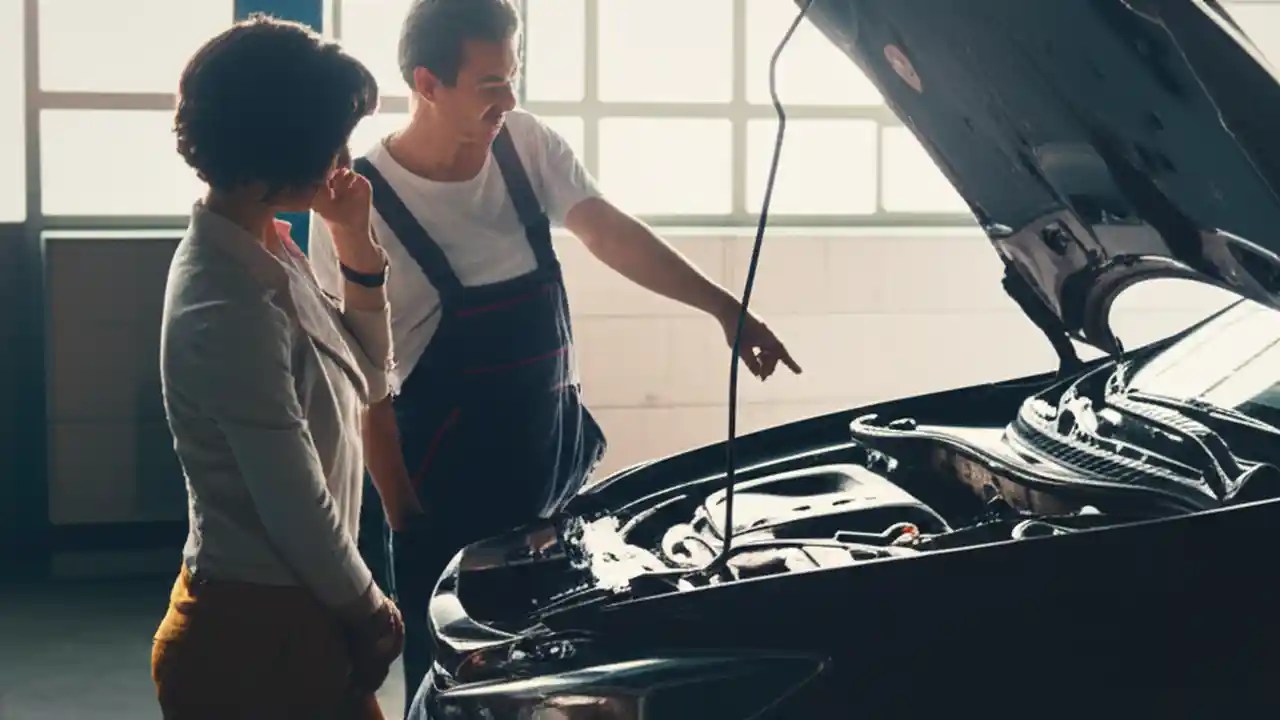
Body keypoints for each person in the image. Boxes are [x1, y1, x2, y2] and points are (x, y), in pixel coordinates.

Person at [307, 0, 802, 710]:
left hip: (550, 465)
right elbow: (357, 378)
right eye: (489, 85)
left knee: (558, 675)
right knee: (453, 683)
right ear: (427, 84)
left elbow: (607, 231)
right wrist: (403, 520)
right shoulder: (361, 202)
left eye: (513, 78)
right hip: (439, 488)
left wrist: (724, 308)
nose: (508, 99)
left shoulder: (525, 145)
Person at [152, 15, 405, 719]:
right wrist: (372, 609)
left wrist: (353, 238)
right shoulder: (223, 300)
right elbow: (292, 500)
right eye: (334, 141)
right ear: (283, 146)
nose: (343, 159)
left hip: (302, 606)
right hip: (252, 632)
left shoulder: (266, 247)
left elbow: (371, 377)